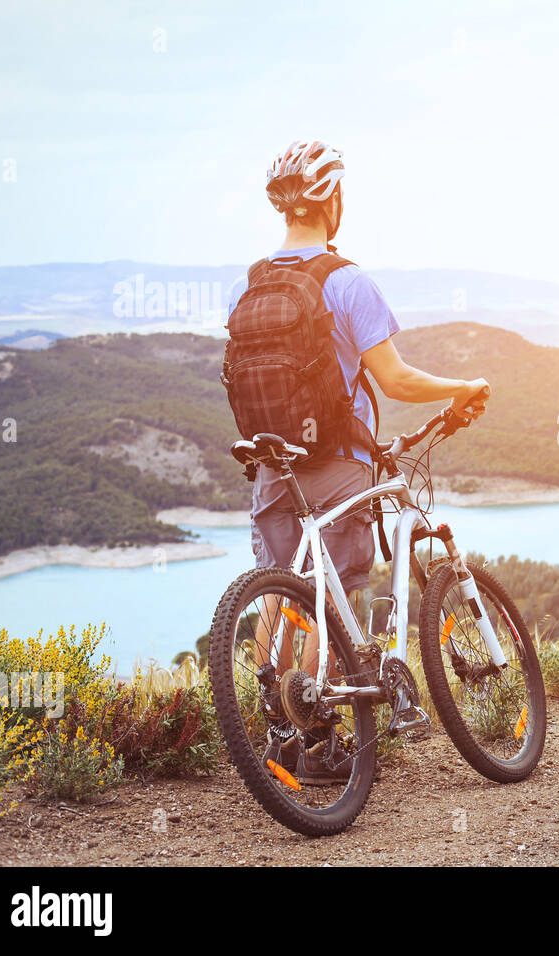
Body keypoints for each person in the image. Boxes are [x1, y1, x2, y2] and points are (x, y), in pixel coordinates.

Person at [227, 139, 489, 783]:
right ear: (332, 201)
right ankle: (320, 743)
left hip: (270, 464)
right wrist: (461, 389)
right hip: (338, 460)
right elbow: (394, 381)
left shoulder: (249, 283)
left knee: (280, 595)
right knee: (335, 596)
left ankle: (278, 727)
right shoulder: (346, 282)